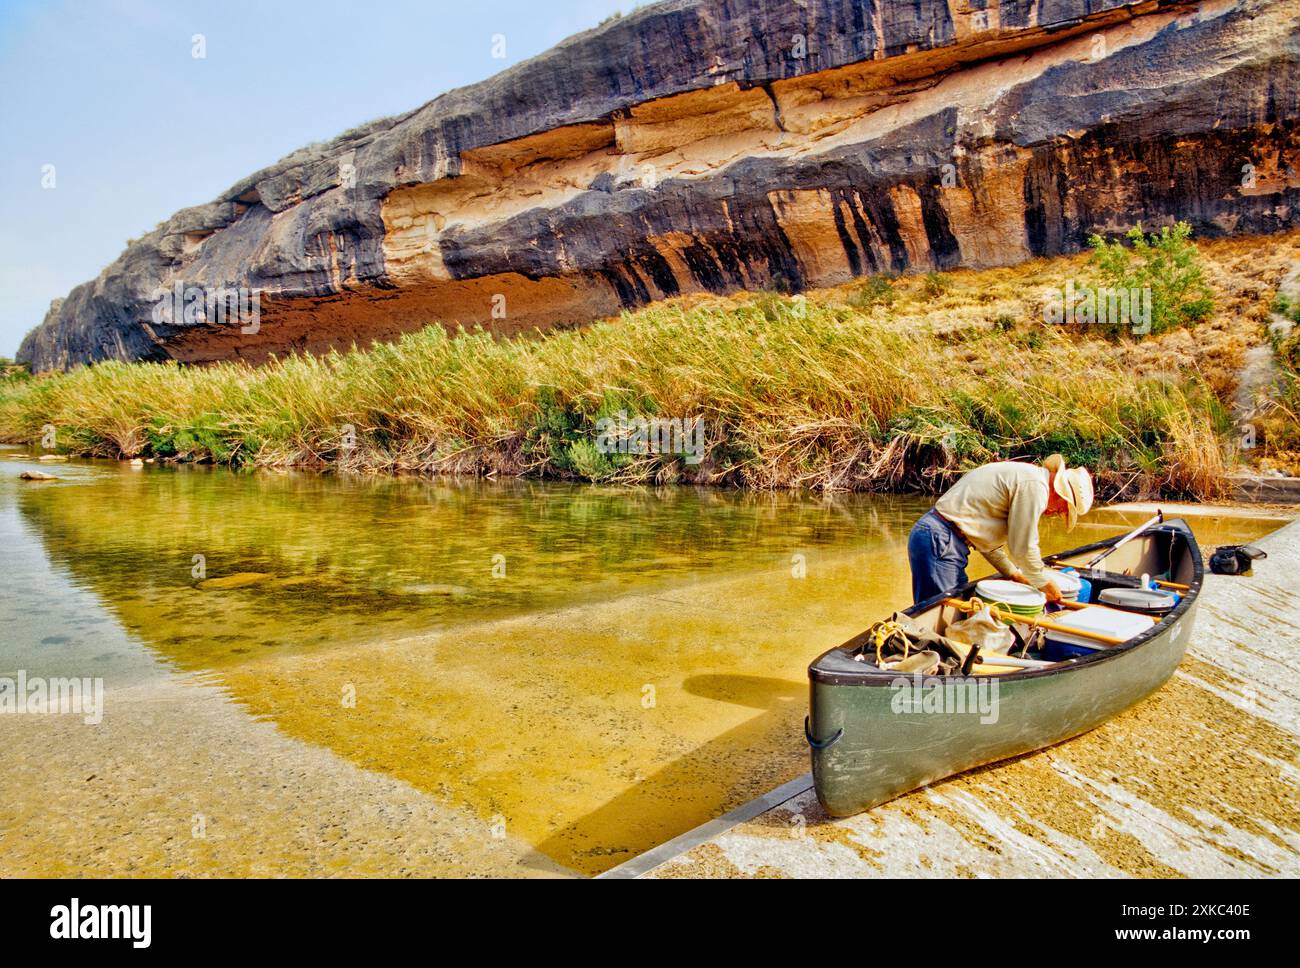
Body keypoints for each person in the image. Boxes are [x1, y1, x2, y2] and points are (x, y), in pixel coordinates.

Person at [907, 454, 1094, 605]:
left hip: (936, 535)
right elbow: (1023, 548)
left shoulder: (1028, 477)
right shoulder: (1036, 487)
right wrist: (1044, 583)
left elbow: (987, 543)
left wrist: (1014, 574)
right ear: (1061, 494)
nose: (1054, 513)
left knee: (940, 606)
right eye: (1063, 509)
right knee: (945, 609)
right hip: (941, 539)